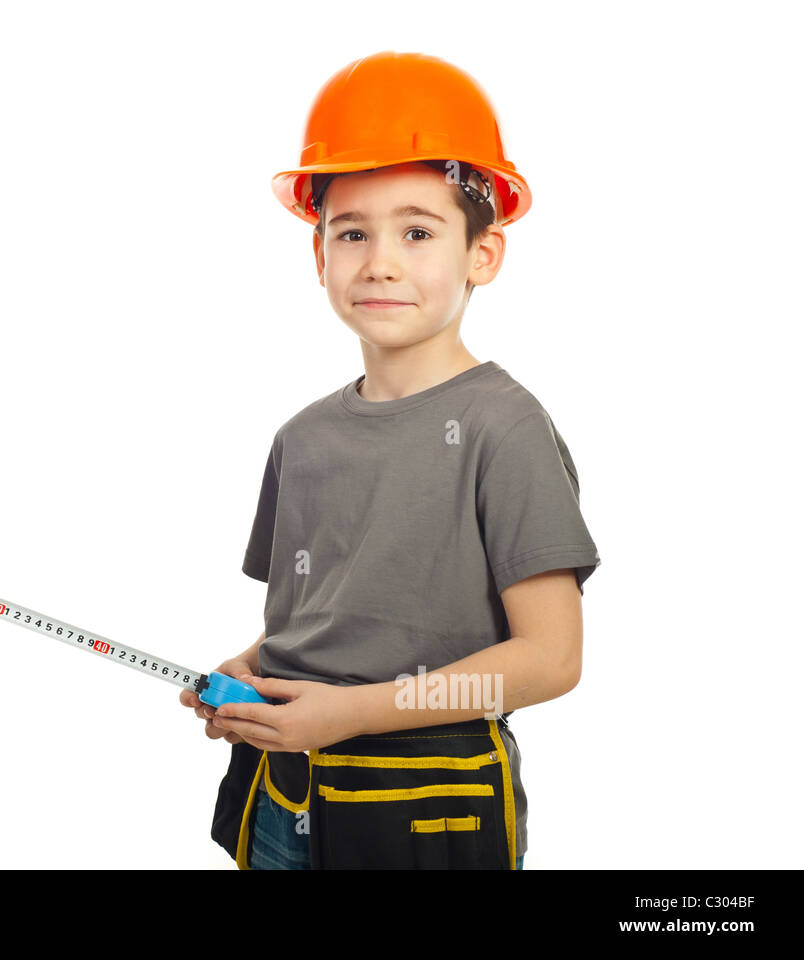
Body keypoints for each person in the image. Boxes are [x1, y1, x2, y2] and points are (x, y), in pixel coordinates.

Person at [179, 52, 600, 870]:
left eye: (417, 231)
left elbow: (551, 660)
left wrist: (352, 715)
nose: (379, 260)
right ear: (319, 257)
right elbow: (327, 617)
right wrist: (256, 670)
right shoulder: (301, 438)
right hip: (280, 793)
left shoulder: (502, 429)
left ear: (484, 255)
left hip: (425, 810)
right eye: (351, 233)